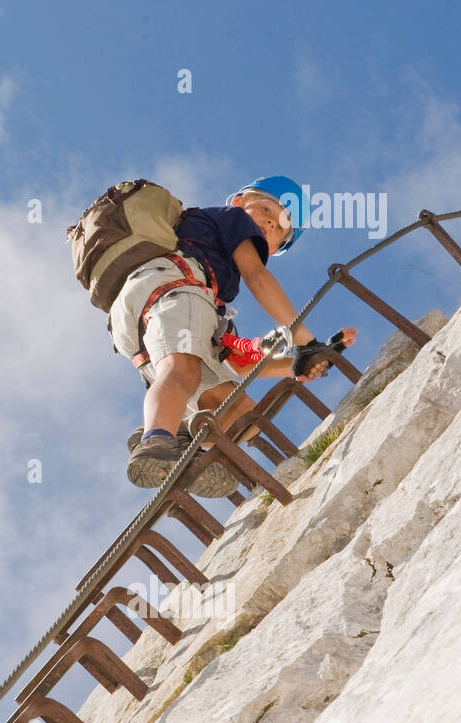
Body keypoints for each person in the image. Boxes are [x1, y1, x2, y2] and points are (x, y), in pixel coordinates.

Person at [108, 176, 357, 497]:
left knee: (244, 417)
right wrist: (307, 344)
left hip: (139, 318)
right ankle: (157, 439)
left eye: (282, 228)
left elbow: (241, 362)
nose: (272, 220)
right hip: (169, 285)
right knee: (181, 369)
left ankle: (184, 438)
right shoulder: (232, 220)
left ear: (277, 247)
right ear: (239, 203)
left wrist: (297, 365)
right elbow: (257, 277)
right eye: (267, 207)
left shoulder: (214, 299)